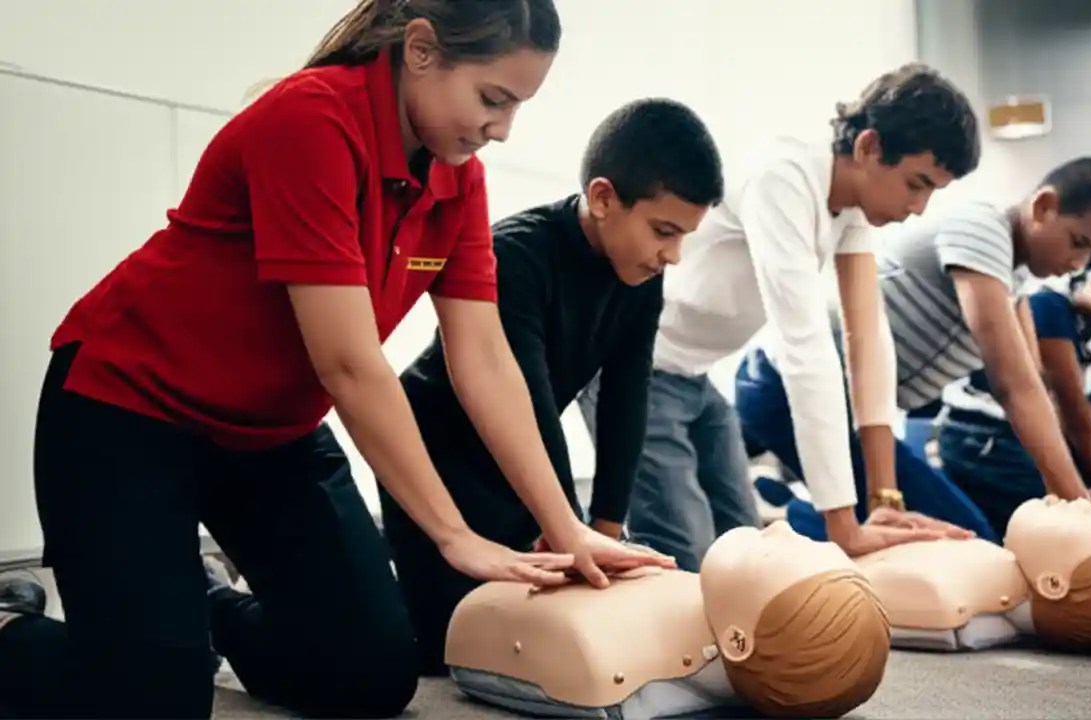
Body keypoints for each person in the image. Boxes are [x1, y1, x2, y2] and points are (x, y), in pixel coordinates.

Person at [0, 3, 660, 718]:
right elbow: (347, 362)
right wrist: (453, 536)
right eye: (493, 99)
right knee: (153, 699)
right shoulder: (312, 119)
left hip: (268, 437)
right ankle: (12, 626)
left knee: (371, 671)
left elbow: (486, 360)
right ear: (421, 51)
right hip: (129, 411)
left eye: (516, 106)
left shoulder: (456, 175)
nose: (501, 129)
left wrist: (566, 528)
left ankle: (205, 609)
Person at [383, 98, 722, 675]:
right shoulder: (517, 255)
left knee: (532, 627)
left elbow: (624, 397)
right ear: (603, 197)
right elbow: (531, 405)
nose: (674, 254)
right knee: (442, 648)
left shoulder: (640, 273)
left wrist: (606, 528)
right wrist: (569, 531)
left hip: (522, 466)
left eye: (685, 236)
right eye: (664, 231)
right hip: (438, 456)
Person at [611, 63, 981, 572]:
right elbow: (804, 348)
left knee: (745, 545)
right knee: (687, 551)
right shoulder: (783, 176)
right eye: (916, 184)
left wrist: (885, 499)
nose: (918, 207)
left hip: (695, 378)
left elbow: (868, 341)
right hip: (635, 367)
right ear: (869, 148)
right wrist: (843, 525)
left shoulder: (851, 211)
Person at [736, 157, 1091, 545]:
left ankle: (797, 508)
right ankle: (794, 518)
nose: (1078, 263)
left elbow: (1035, 386)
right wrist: (1082, 508)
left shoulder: (1016, 277)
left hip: (850, 411)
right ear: (1043, 206)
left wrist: (1084, 493)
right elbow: (1013, 386)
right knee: (967, 541)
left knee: (965, 537)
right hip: (788, 384)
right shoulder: (982, 231)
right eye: (1077, 243)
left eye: (1090, 254)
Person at [937, 223, 1091, 537]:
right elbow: (1074, 411)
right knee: (1065, 523)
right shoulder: (1048, 307)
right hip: (985, 438)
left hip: (1024, 439)